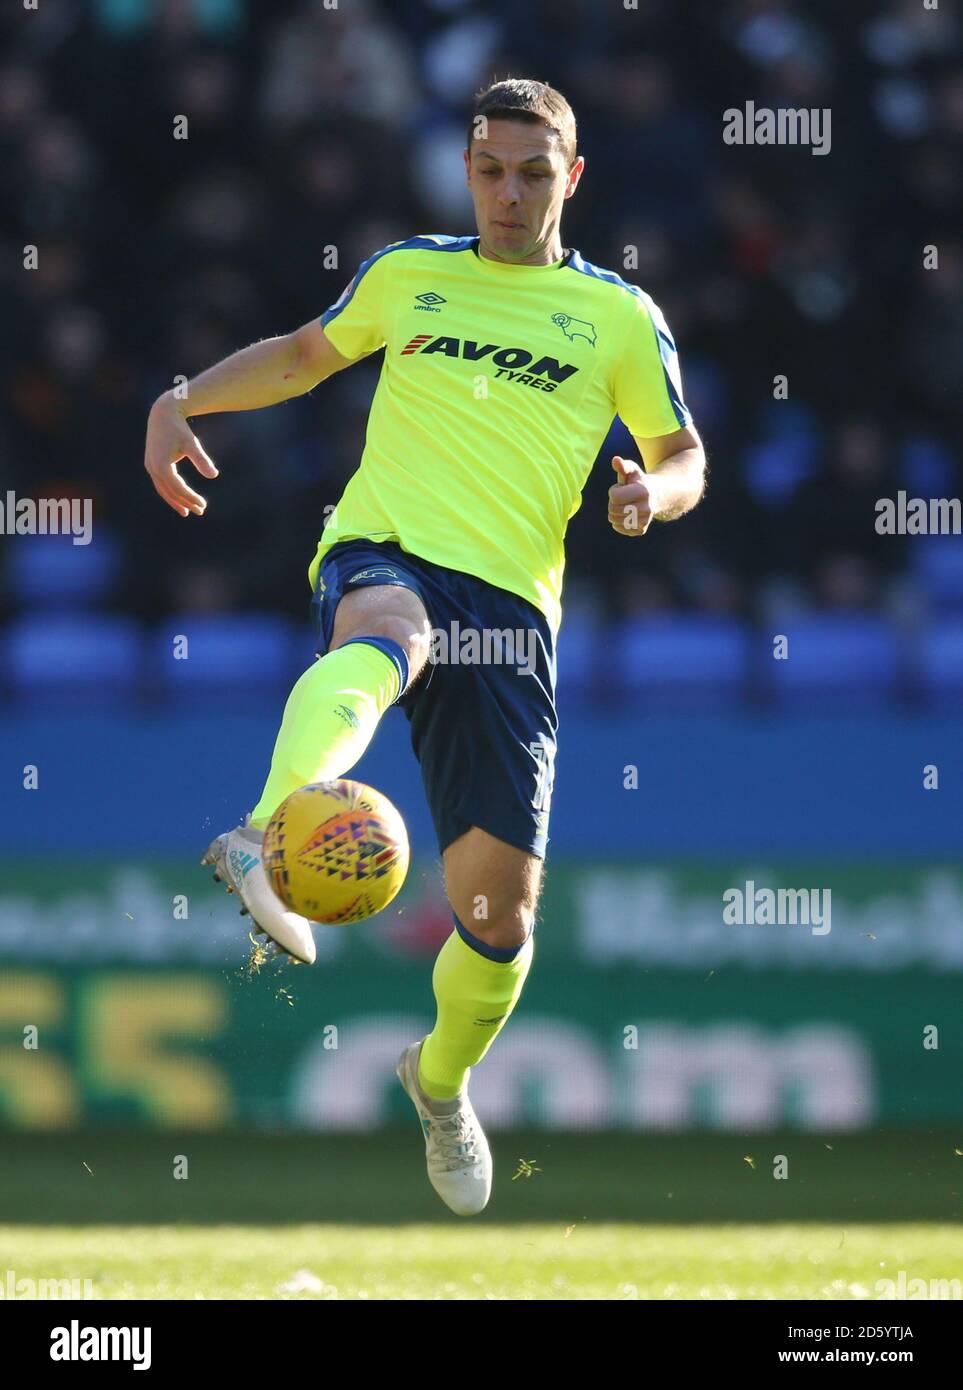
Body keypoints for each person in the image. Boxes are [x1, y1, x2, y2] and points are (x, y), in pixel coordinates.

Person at [144, 77, 707, 1215]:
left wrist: (658, 488)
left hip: (513, 613)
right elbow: (306, 353)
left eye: (534, 172)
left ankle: (437, 1081)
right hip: (389, 544)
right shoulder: (409, 273)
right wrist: (183, 400)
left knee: (500, 923)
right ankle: (263, 829)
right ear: (467, 171)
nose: (509, 192)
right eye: (491, 169)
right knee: (385, 633)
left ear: (573, 177)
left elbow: (684, 448)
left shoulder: (616, 318)